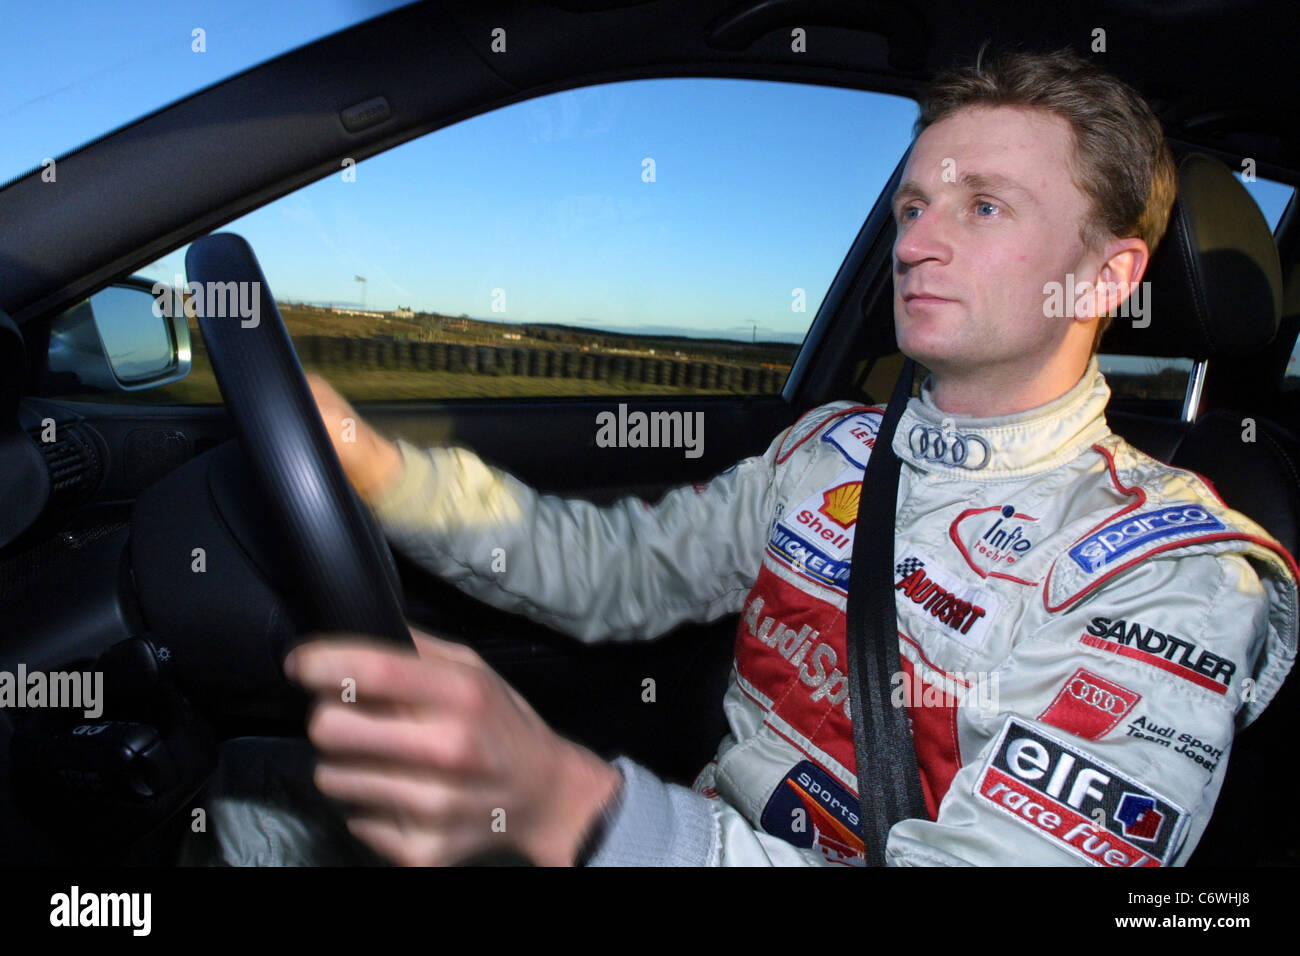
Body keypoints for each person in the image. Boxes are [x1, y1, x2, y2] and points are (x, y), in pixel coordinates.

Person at [196, 47, 1298, 867]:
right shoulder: (827, 452)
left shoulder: (1171, 572)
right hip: (690, 835)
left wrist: (578, 807)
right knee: (255, 787)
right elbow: (612, 573)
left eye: (983, 205)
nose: (915, 238)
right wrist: (371, 462)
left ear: (1105, 277)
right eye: (914, 203)